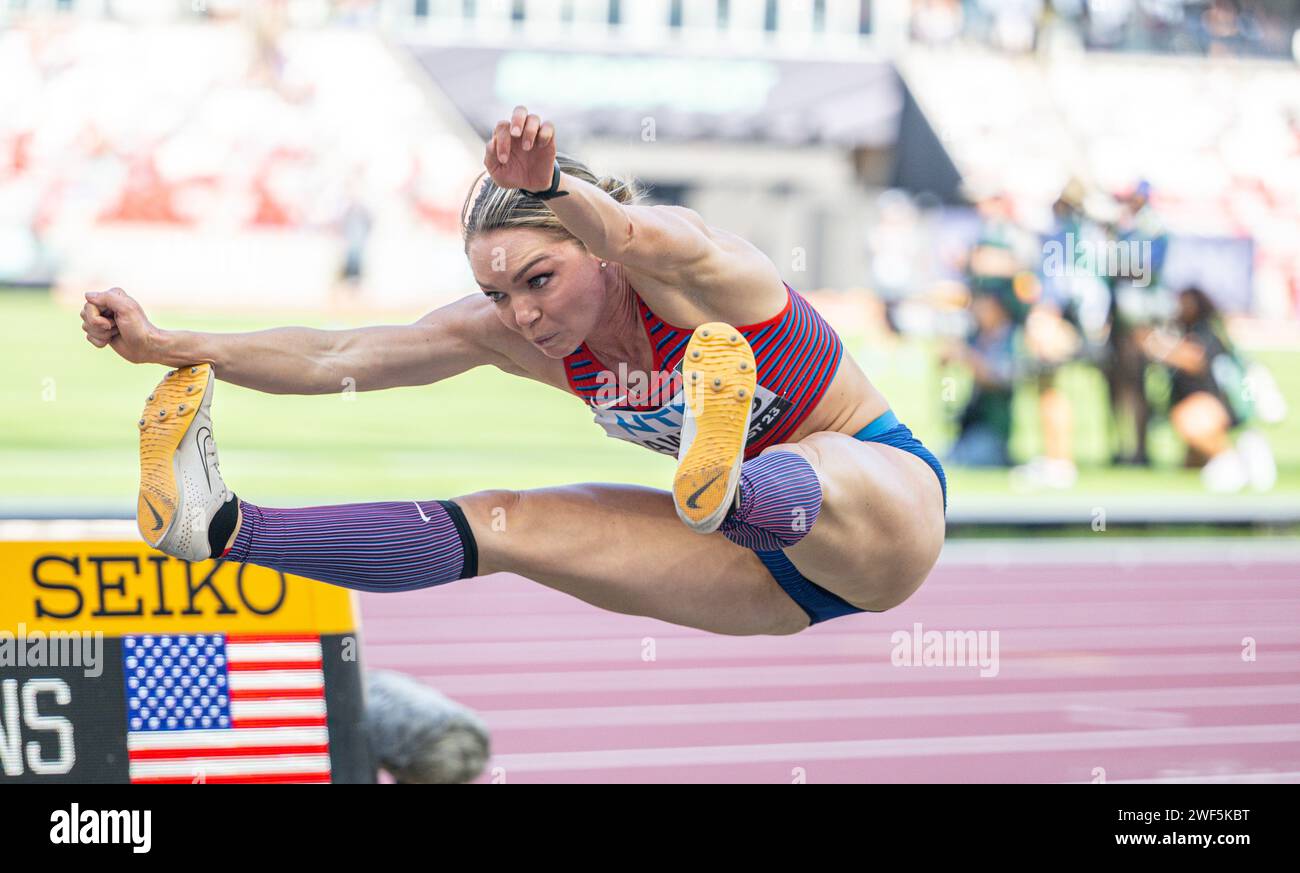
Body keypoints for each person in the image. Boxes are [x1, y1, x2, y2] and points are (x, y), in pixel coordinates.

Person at [80, 106, 947, 636]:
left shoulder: (690, 268)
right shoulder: (523, 335)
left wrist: (557, 188)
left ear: (596, 252)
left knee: (824, 464)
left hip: (883, 510)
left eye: (540, 279)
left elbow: (635, 233)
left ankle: (735, 488)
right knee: (505, 521)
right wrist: (166, 344)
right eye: (495, 293)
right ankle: (223, 528)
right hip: (757, 579)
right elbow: (340, 355)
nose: (522, 314)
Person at [1139, 286, 1276, 492]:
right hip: (1203, 406)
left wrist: (1155, 346)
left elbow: (1194, 359)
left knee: (1187, 419)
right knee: (1190, 469)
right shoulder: (1188, 330)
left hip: (1214, 405)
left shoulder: (1206, 332)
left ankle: (1234, 459)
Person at [943, 291, 1017, 467]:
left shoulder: (1012, 339)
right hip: (969, 426)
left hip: (994, 430)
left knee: (967, 459)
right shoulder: (975, 337)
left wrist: (968, 358)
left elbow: (999, 379)